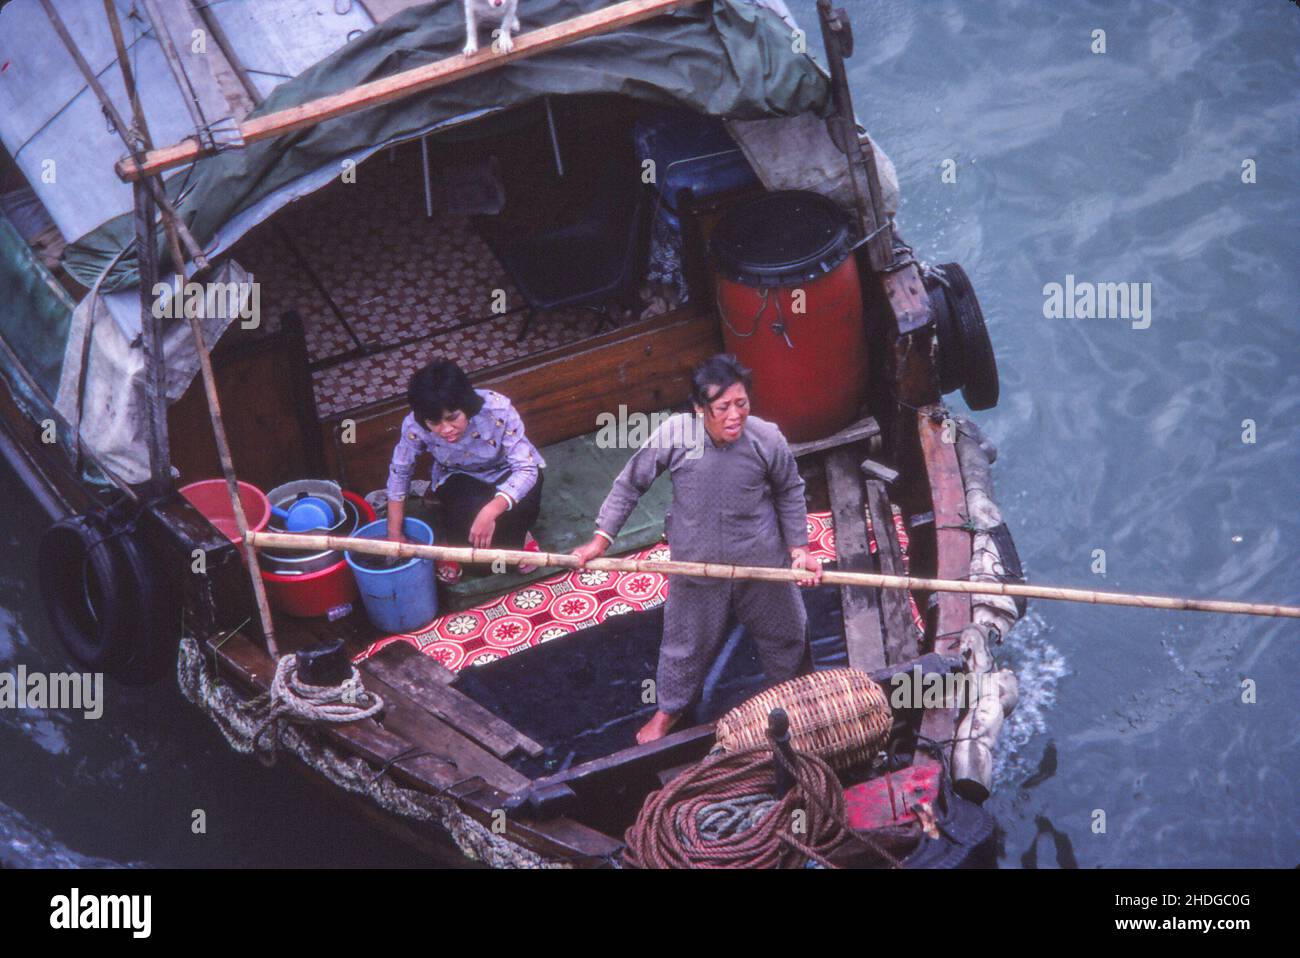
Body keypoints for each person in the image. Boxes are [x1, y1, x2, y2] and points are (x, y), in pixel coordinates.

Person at [572, 353, 821, 744]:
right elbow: (630, 483)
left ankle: (791, 703)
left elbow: (790, 490)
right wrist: (601, 539)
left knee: (788, 633)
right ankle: (669, 710)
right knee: (683, 645)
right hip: (696, 564)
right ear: (699, 408)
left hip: (761, 563)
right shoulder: (675, 435)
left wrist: (799, 549)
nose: (735, 415)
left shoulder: (767, 438)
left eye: (742, 404)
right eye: (723, 408)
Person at [386, 360, 544, 579]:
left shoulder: (498, 409)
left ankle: (521, 534)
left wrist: (489, 512)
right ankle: (452, 539)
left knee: (520, 506)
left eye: (453, 418)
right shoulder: (414, 424)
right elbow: (400, 472)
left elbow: (526, 469)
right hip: (460, 475)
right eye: (435, 422)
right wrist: (395, 533)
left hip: (507, 470)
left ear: (467, 406)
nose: (446, 429)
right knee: (477, 564)